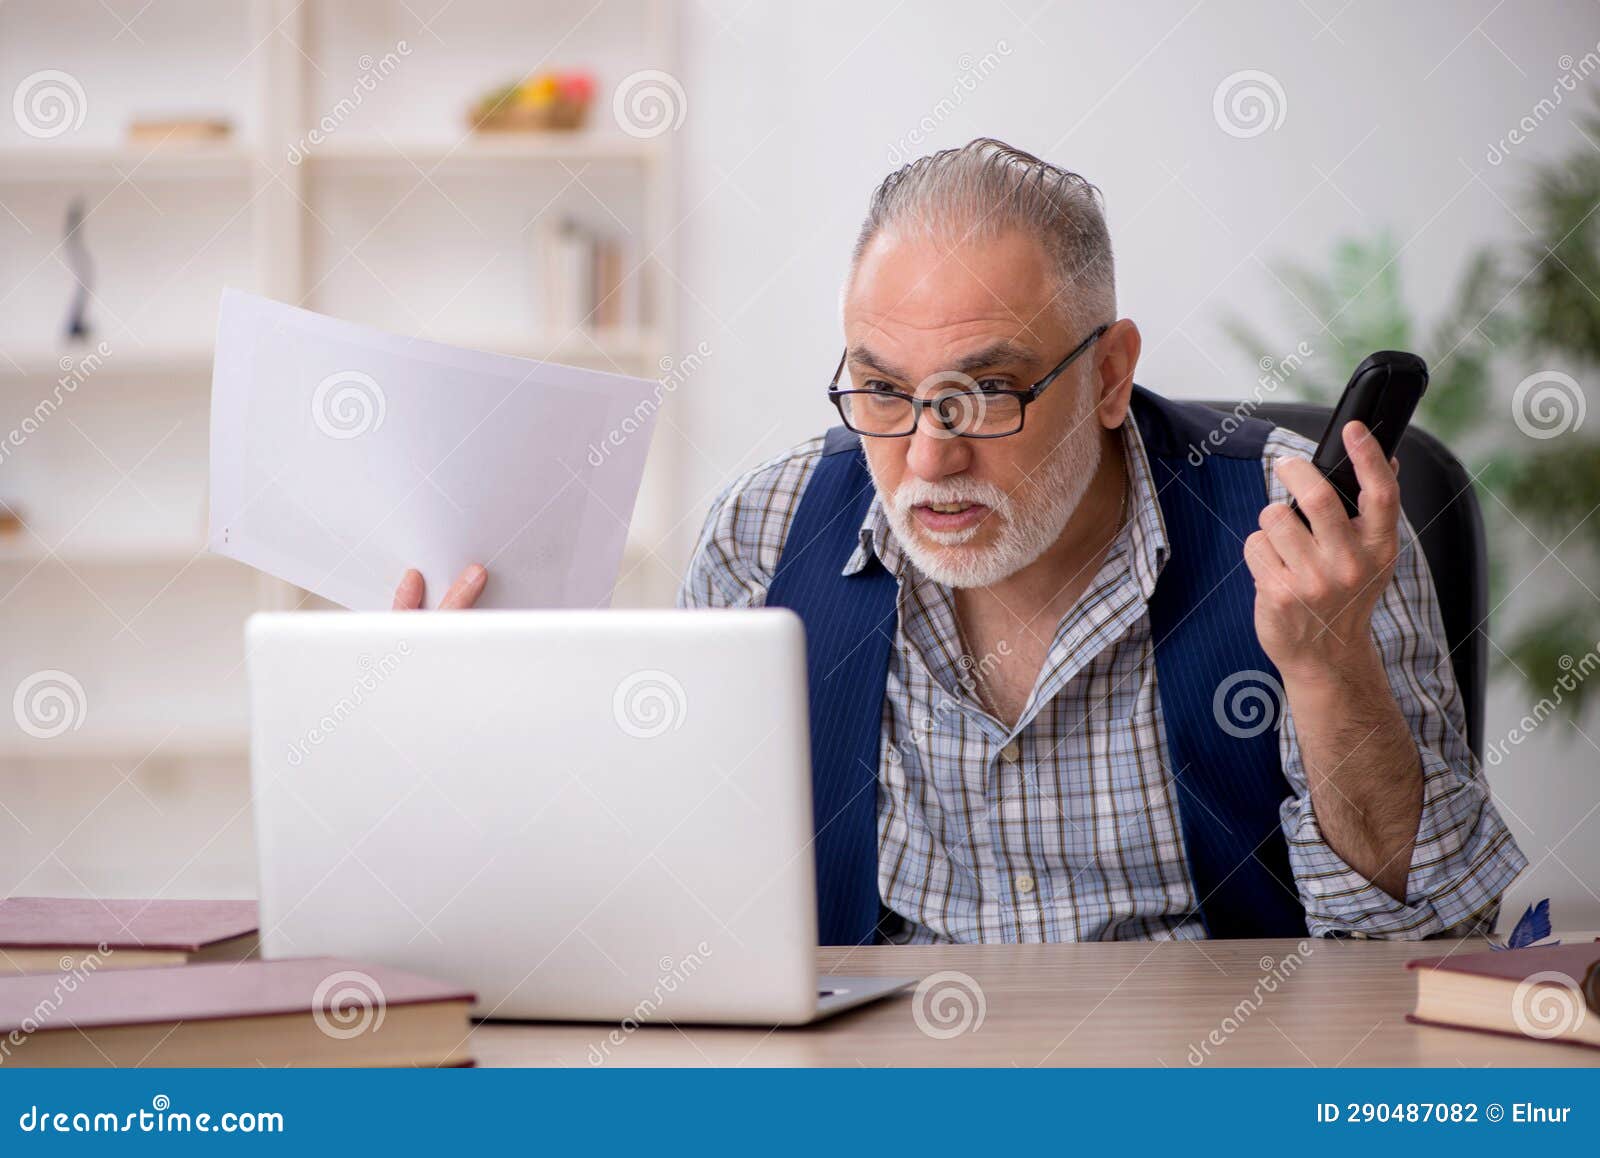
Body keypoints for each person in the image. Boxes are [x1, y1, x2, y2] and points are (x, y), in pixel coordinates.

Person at [394, 138, 1524, 945]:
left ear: (1109, 375)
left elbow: (1434, 934)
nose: (926, 458)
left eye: (984, 392)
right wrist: (480, 740)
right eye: (882, 391)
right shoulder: (763, 535)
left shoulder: (1300, 536)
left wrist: (1330, 666)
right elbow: (671, 903)